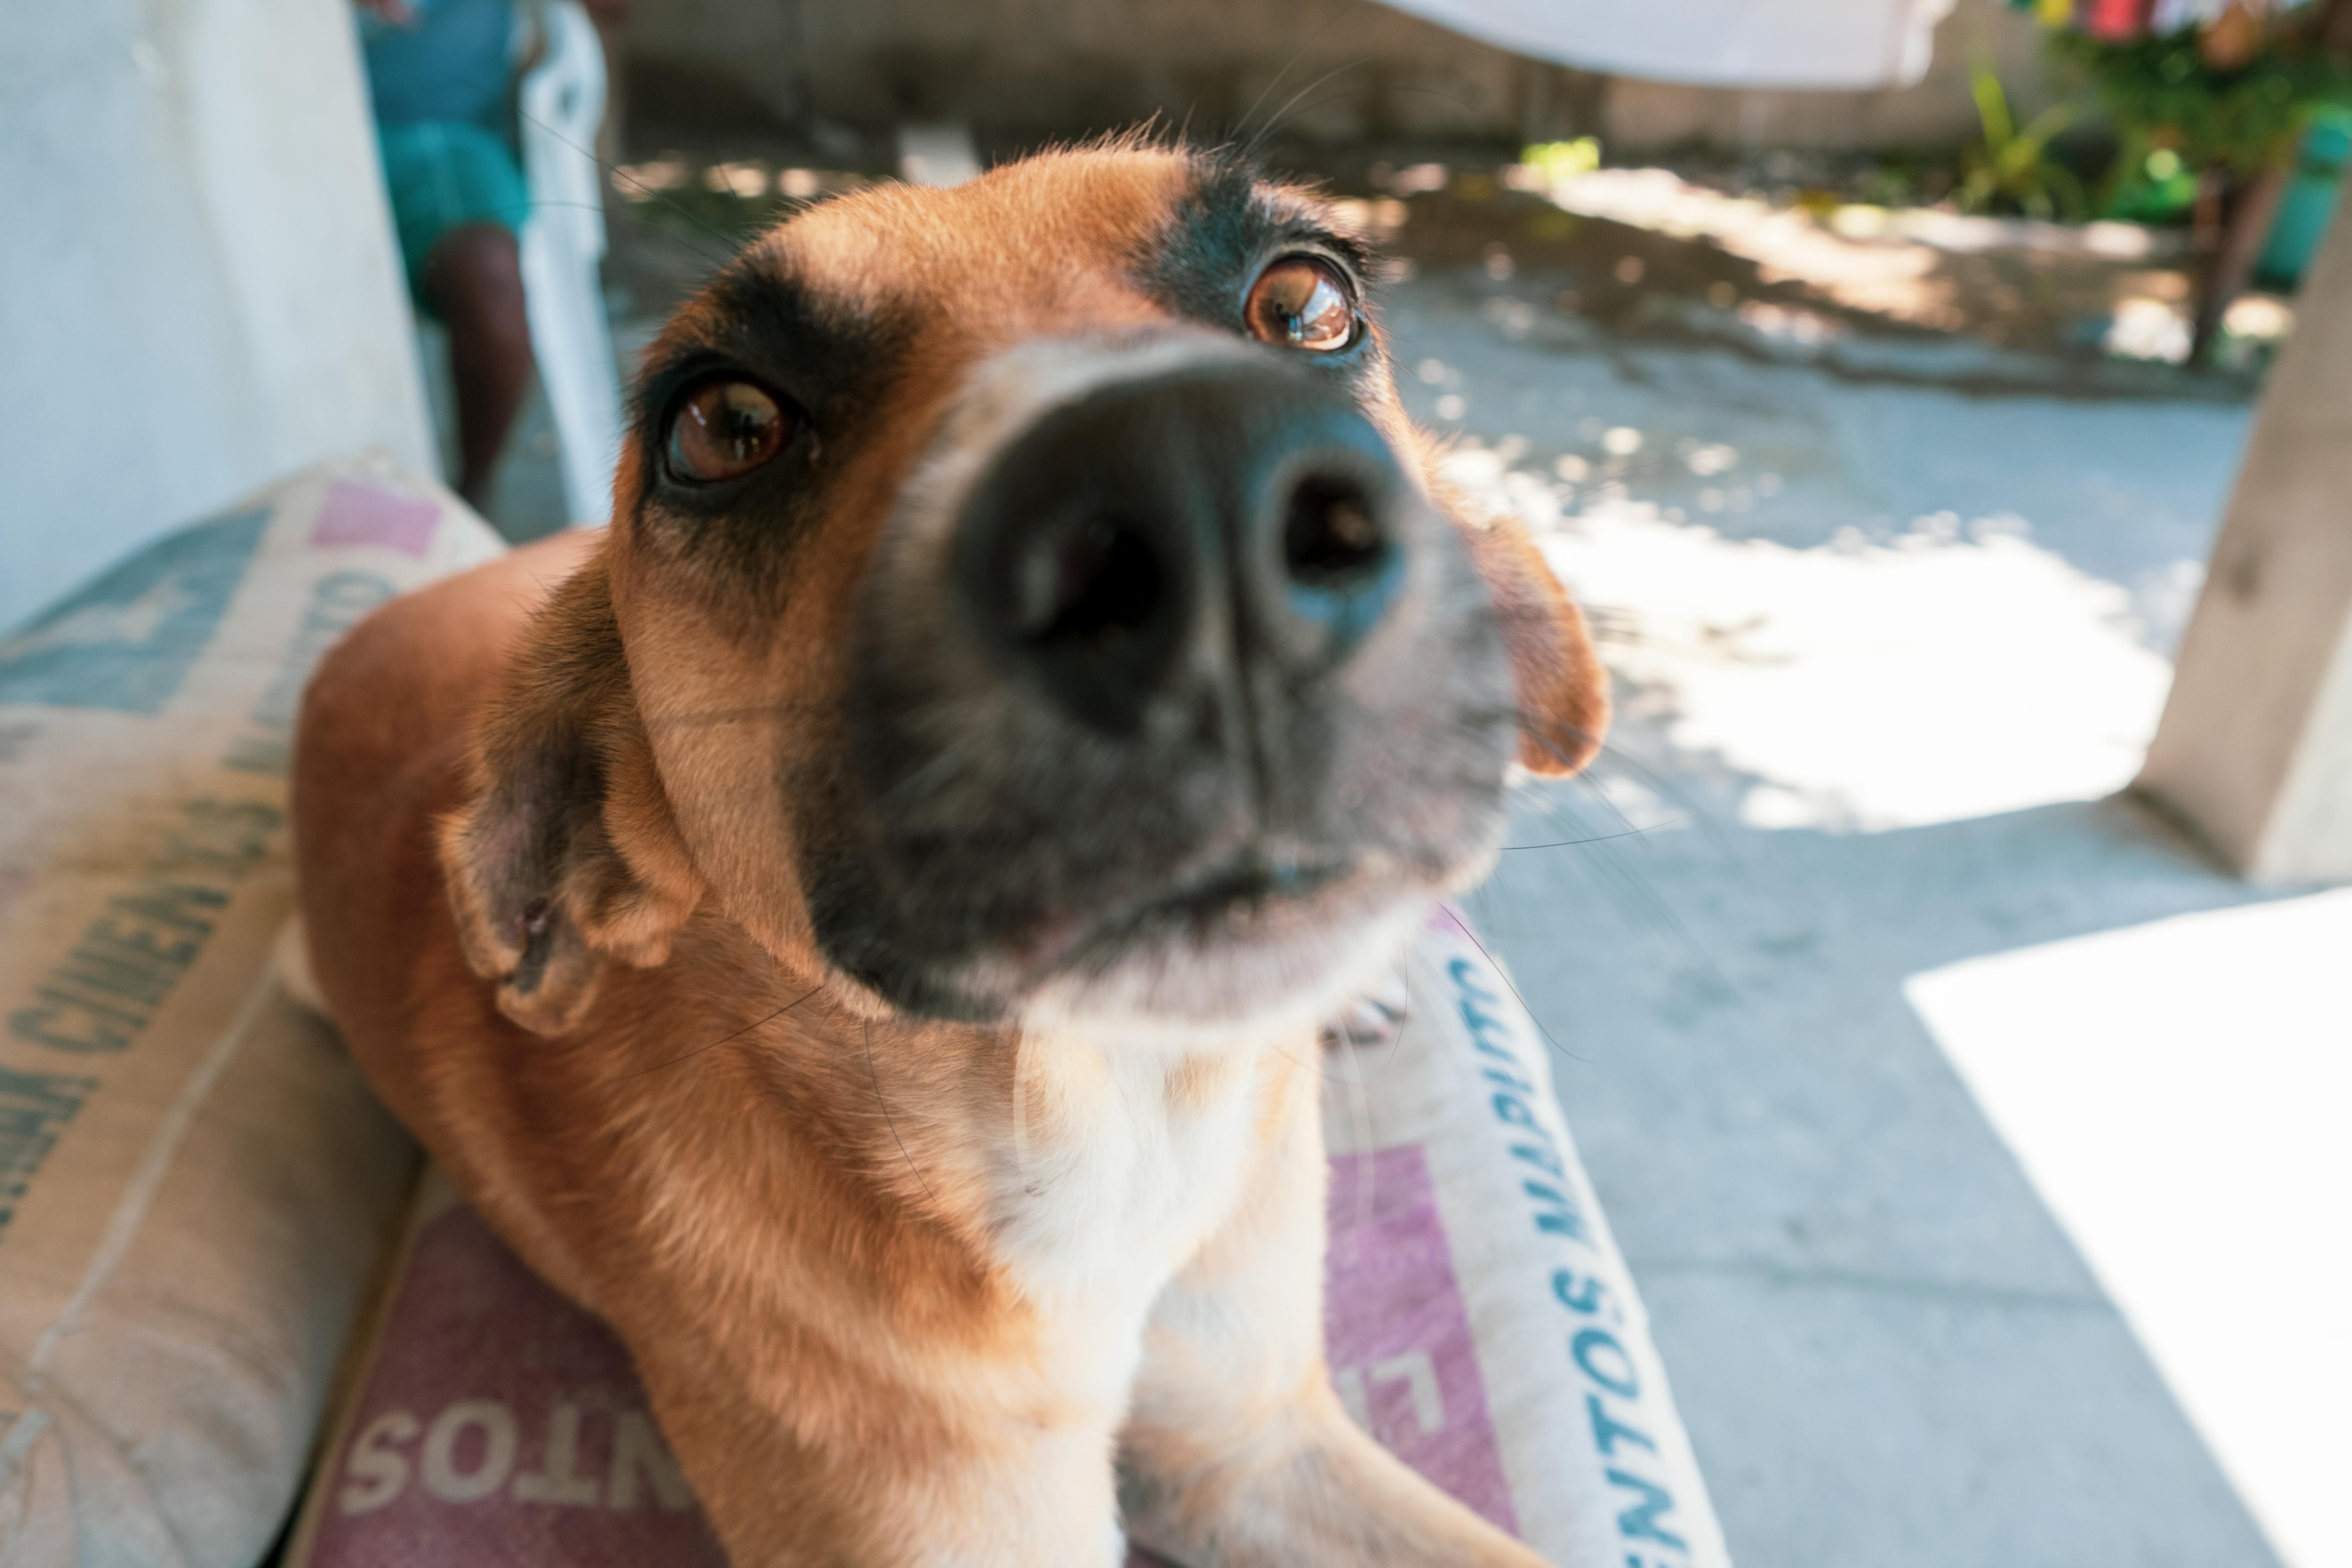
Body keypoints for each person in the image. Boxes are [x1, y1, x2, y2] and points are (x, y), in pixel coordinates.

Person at [353, 0, 628, 508]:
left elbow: (614, 9)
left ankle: (470, 499)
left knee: (490, 279)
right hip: (271, 137)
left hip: (448, 145)